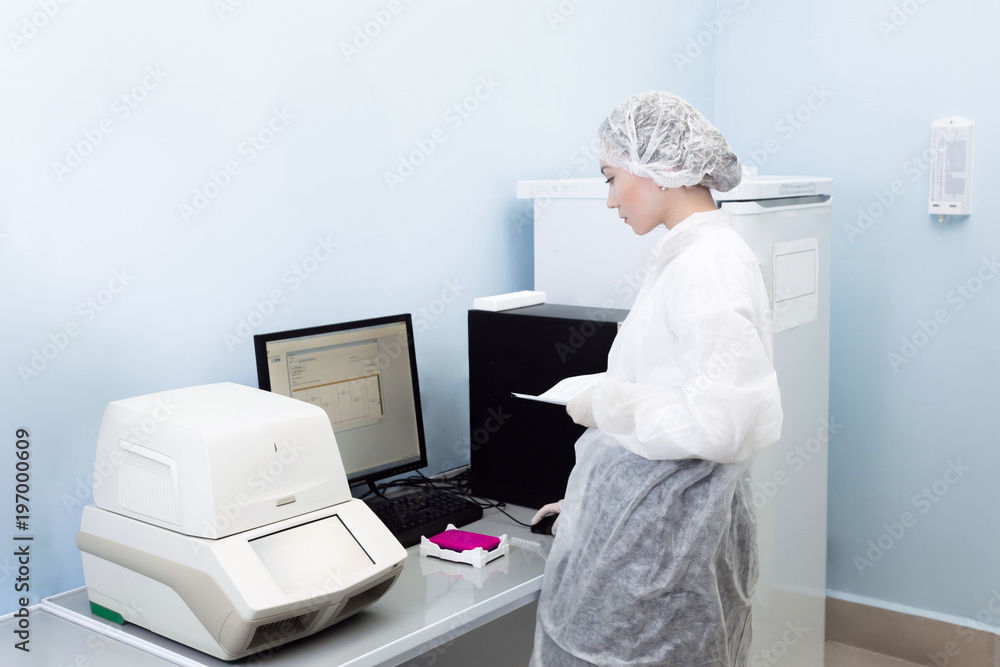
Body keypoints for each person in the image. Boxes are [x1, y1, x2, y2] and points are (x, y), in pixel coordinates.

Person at [529, 91, 783, 667]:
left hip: (663, 549)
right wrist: (590, 502)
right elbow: (678, 392)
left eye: (611, 178)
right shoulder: (689, 255)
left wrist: (608, 404)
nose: (610, 199)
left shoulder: (708, 265)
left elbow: (723, 423)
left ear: (657, 167)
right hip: (655, 529)